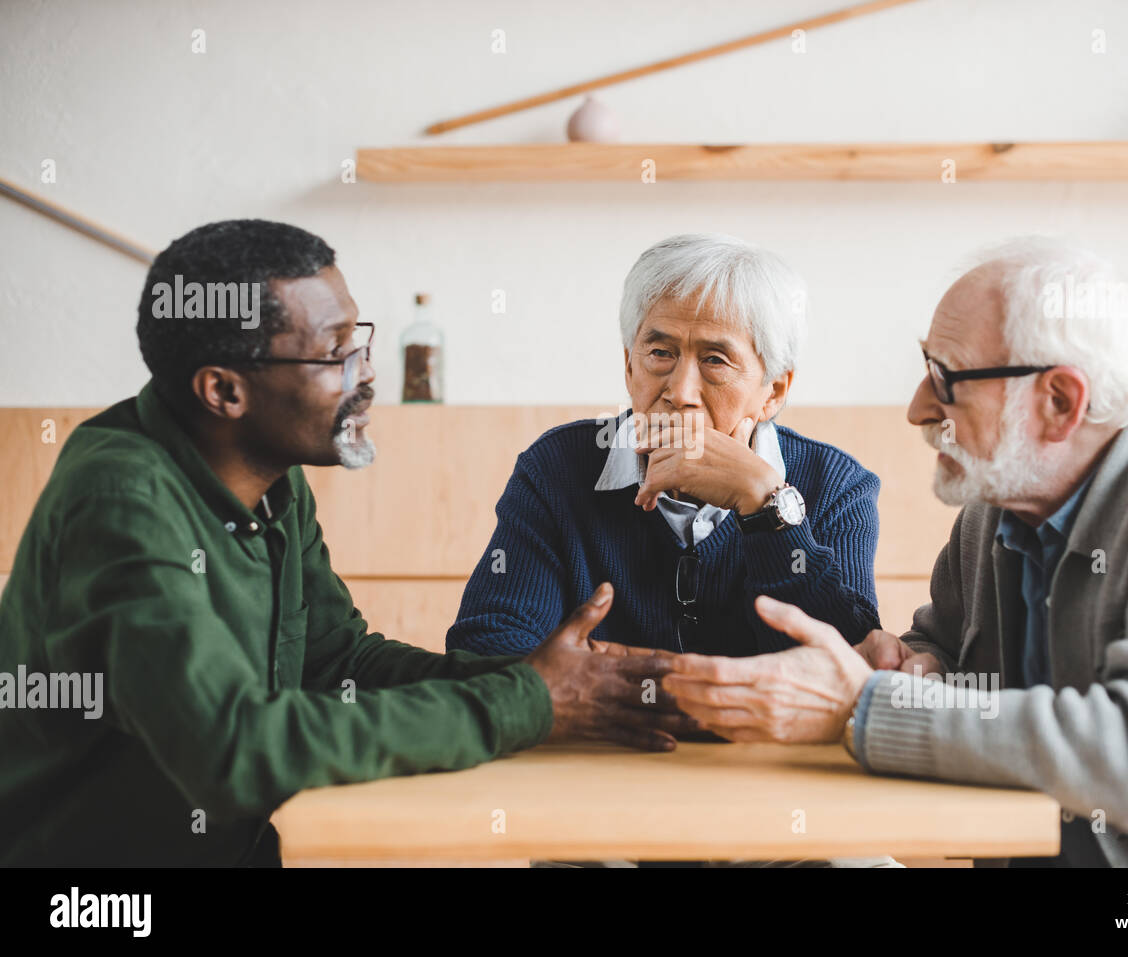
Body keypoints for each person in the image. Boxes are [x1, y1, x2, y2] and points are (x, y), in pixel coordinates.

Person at [0, 219, 686, 867]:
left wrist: (539, 678)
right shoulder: (120, 501)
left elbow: (336, 661)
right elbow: (232, 747)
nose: (367, 374)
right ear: (224, 391)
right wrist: (529, 702)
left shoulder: (270, 481)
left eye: (361, 341)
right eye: (335, 354)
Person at [663, 236, 1128, 866]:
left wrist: (862, 706)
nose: (917, 409)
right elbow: (944, 653)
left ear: (1059, 402)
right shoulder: (993, 508)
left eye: (946, 380)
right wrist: (911, 665)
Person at [446, 233, 882, 659]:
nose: (680, 391)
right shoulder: (557, 469)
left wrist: (765, 507)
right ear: (629, 365)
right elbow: (484, 649)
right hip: (601, 734)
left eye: (715, 360)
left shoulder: (837, 485)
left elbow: (853, 663)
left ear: (774, 392)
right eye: (660, 353)